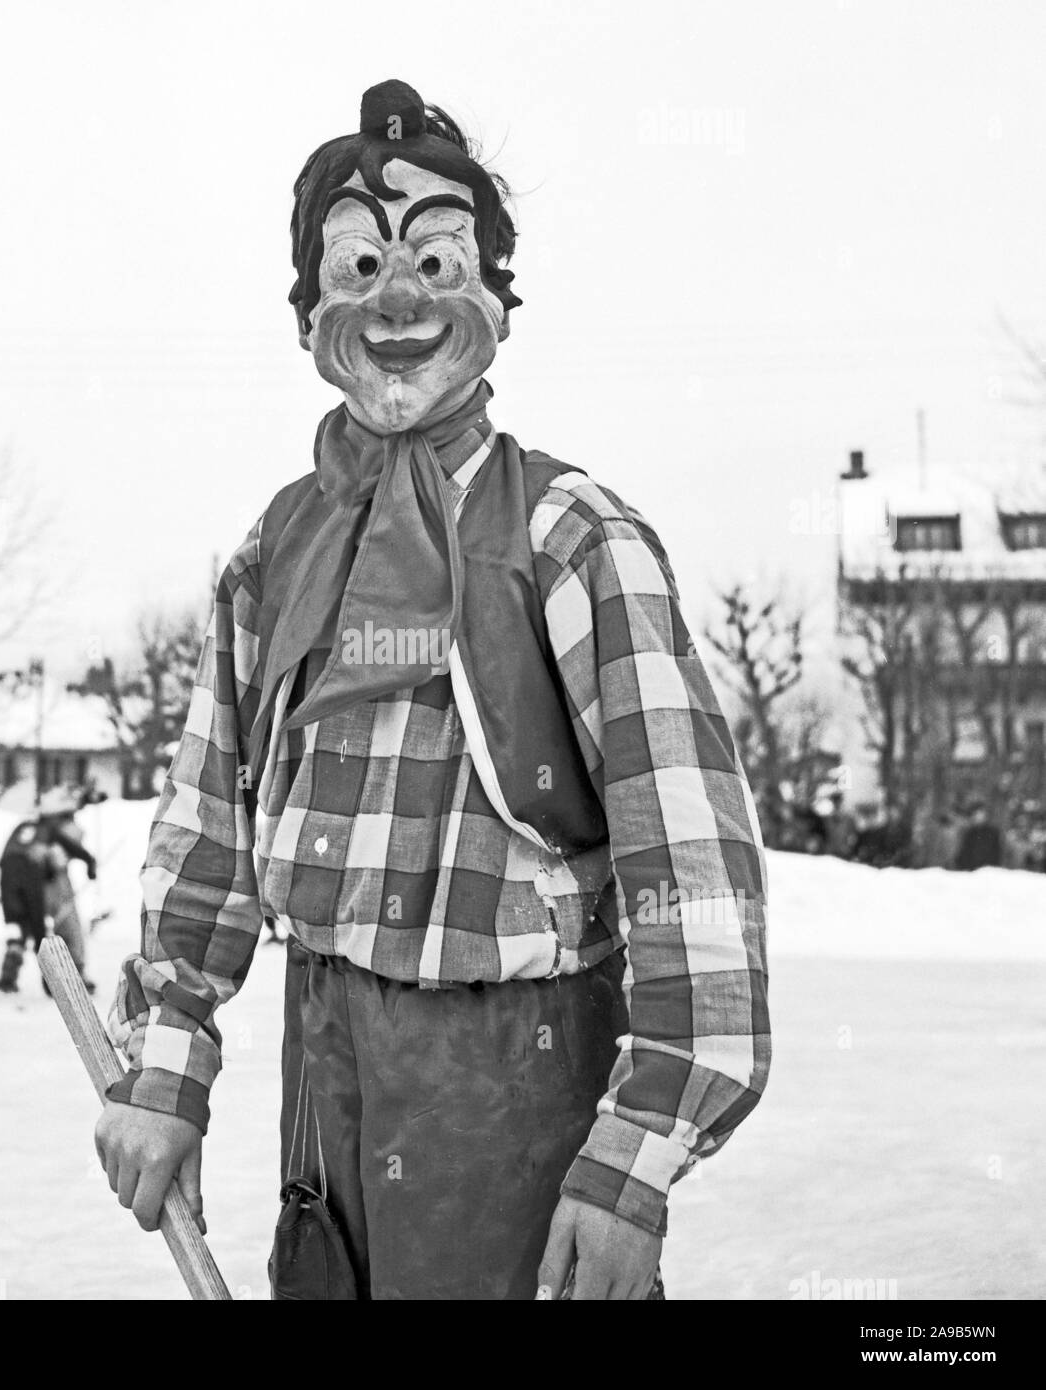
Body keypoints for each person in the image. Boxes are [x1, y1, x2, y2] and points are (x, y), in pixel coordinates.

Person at [95, 81, 770, 1300]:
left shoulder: (574, 537)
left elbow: (692, 876)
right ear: (310, 312)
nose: (397, 298)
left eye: (435, 258)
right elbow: (210, 830)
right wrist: (164, 1065)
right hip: (324, 1078)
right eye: (357, 266)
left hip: (516, 1087)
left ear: (495, 300)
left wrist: (630, 1164)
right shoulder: (275, 548)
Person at [0, 787, 97, 994]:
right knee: (39, 927)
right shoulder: (50, 829)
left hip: (8, 871)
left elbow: (11, 852)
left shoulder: (23, 825)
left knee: (16, 923)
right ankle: (51, 982)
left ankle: (10, 967)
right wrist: (89, 861)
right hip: (32, 874)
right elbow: (70, 847)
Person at [954, 802, 1002, 872]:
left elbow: (997, 854)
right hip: (969, 872)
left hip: (987, 871)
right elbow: (964, 853)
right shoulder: (970, 833)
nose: (977, 817)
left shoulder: (993, 832)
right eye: (975, 814)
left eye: (980, 814)